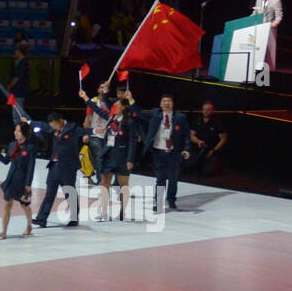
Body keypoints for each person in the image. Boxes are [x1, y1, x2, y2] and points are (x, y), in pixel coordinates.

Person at [80, 88, 140, 221]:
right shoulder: (111, 119)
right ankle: (103, 212)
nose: (114, 107)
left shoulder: (130, 122)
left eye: (117, 105)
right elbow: (98, 111)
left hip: (122, 157)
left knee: (124, 185)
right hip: (108, 155)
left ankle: (123, 212)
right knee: (104, 183)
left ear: (124, 107)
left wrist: (130, 159)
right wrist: (86, 98)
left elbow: (132, 142)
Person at [32, 112, 86, 227]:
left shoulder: (72, 128)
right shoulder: (53, 128)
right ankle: (41, 218)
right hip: (54, 166)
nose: (53, 128)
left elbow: (83, 131)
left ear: (60, 121)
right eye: (52, 126)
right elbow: (42, 125)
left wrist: (95, 131)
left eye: (55, 125)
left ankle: (74, 218)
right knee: (49, 193)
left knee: (69, 192)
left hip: (68, 167)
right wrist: (28, 122)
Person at [141, 93, 190, 212]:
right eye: (164, 101)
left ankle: (171, 199)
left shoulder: (180, 118)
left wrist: (187, 149)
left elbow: (186, 136)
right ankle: (158, 203)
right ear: (160, 104)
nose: (166, 103)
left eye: (169, 101)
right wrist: (130, 100)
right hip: (159, 152)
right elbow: (138, 113)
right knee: (160, 179)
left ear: (173, 104)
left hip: (174, 153)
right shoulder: (155, 115)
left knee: (173, 178)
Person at [0, 122, 37, 238]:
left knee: (24, 205)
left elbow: (31, 167)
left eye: (19, 131)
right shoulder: (12, 145)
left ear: (24, 133)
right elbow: (6, 161)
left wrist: (28, 184)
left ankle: (29, 225)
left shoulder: (30, 147)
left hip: (23, 181)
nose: (16, 133)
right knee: (7, 204)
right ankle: (4, 231)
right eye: (15, 130)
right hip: (11, 179)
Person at [186, 101, 227, 176]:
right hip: (197, 149)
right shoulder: (197, 120)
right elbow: (191, 135)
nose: (206, 111)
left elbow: (223, 139)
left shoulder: (218, 123)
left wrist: (213, 150)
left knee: (207, 172)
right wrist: (198, 141)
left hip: (211, 151)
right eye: (204, 109)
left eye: (208, 109)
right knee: (188, 168)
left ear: (212, 110)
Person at [8, 43, 30, 116]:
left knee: (17, 114)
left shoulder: (22, 63)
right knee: (17, 112)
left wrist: (10, 86)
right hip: (18, 91)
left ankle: (19, 127)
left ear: (19, 52)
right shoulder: (23, 62)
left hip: (19, 91)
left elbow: (17, 77)